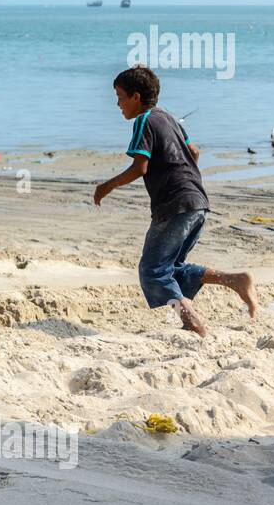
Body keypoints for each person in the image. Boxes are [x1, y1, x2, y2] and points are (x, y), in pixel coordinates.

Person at [94, 65, 256, 335]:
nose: (117, 103)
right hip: (198, 202)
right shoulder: (169, 118)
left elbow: (140, 168)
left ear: (136, 97)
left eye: (120, 96)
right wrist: (184, 180)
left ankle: (191, 320)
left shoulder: (144, 120)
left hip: (175, 206)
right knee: (173, 268)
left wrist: (106, 186)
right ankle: (236, 280)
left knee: (152, 271)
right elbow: (194, 151)